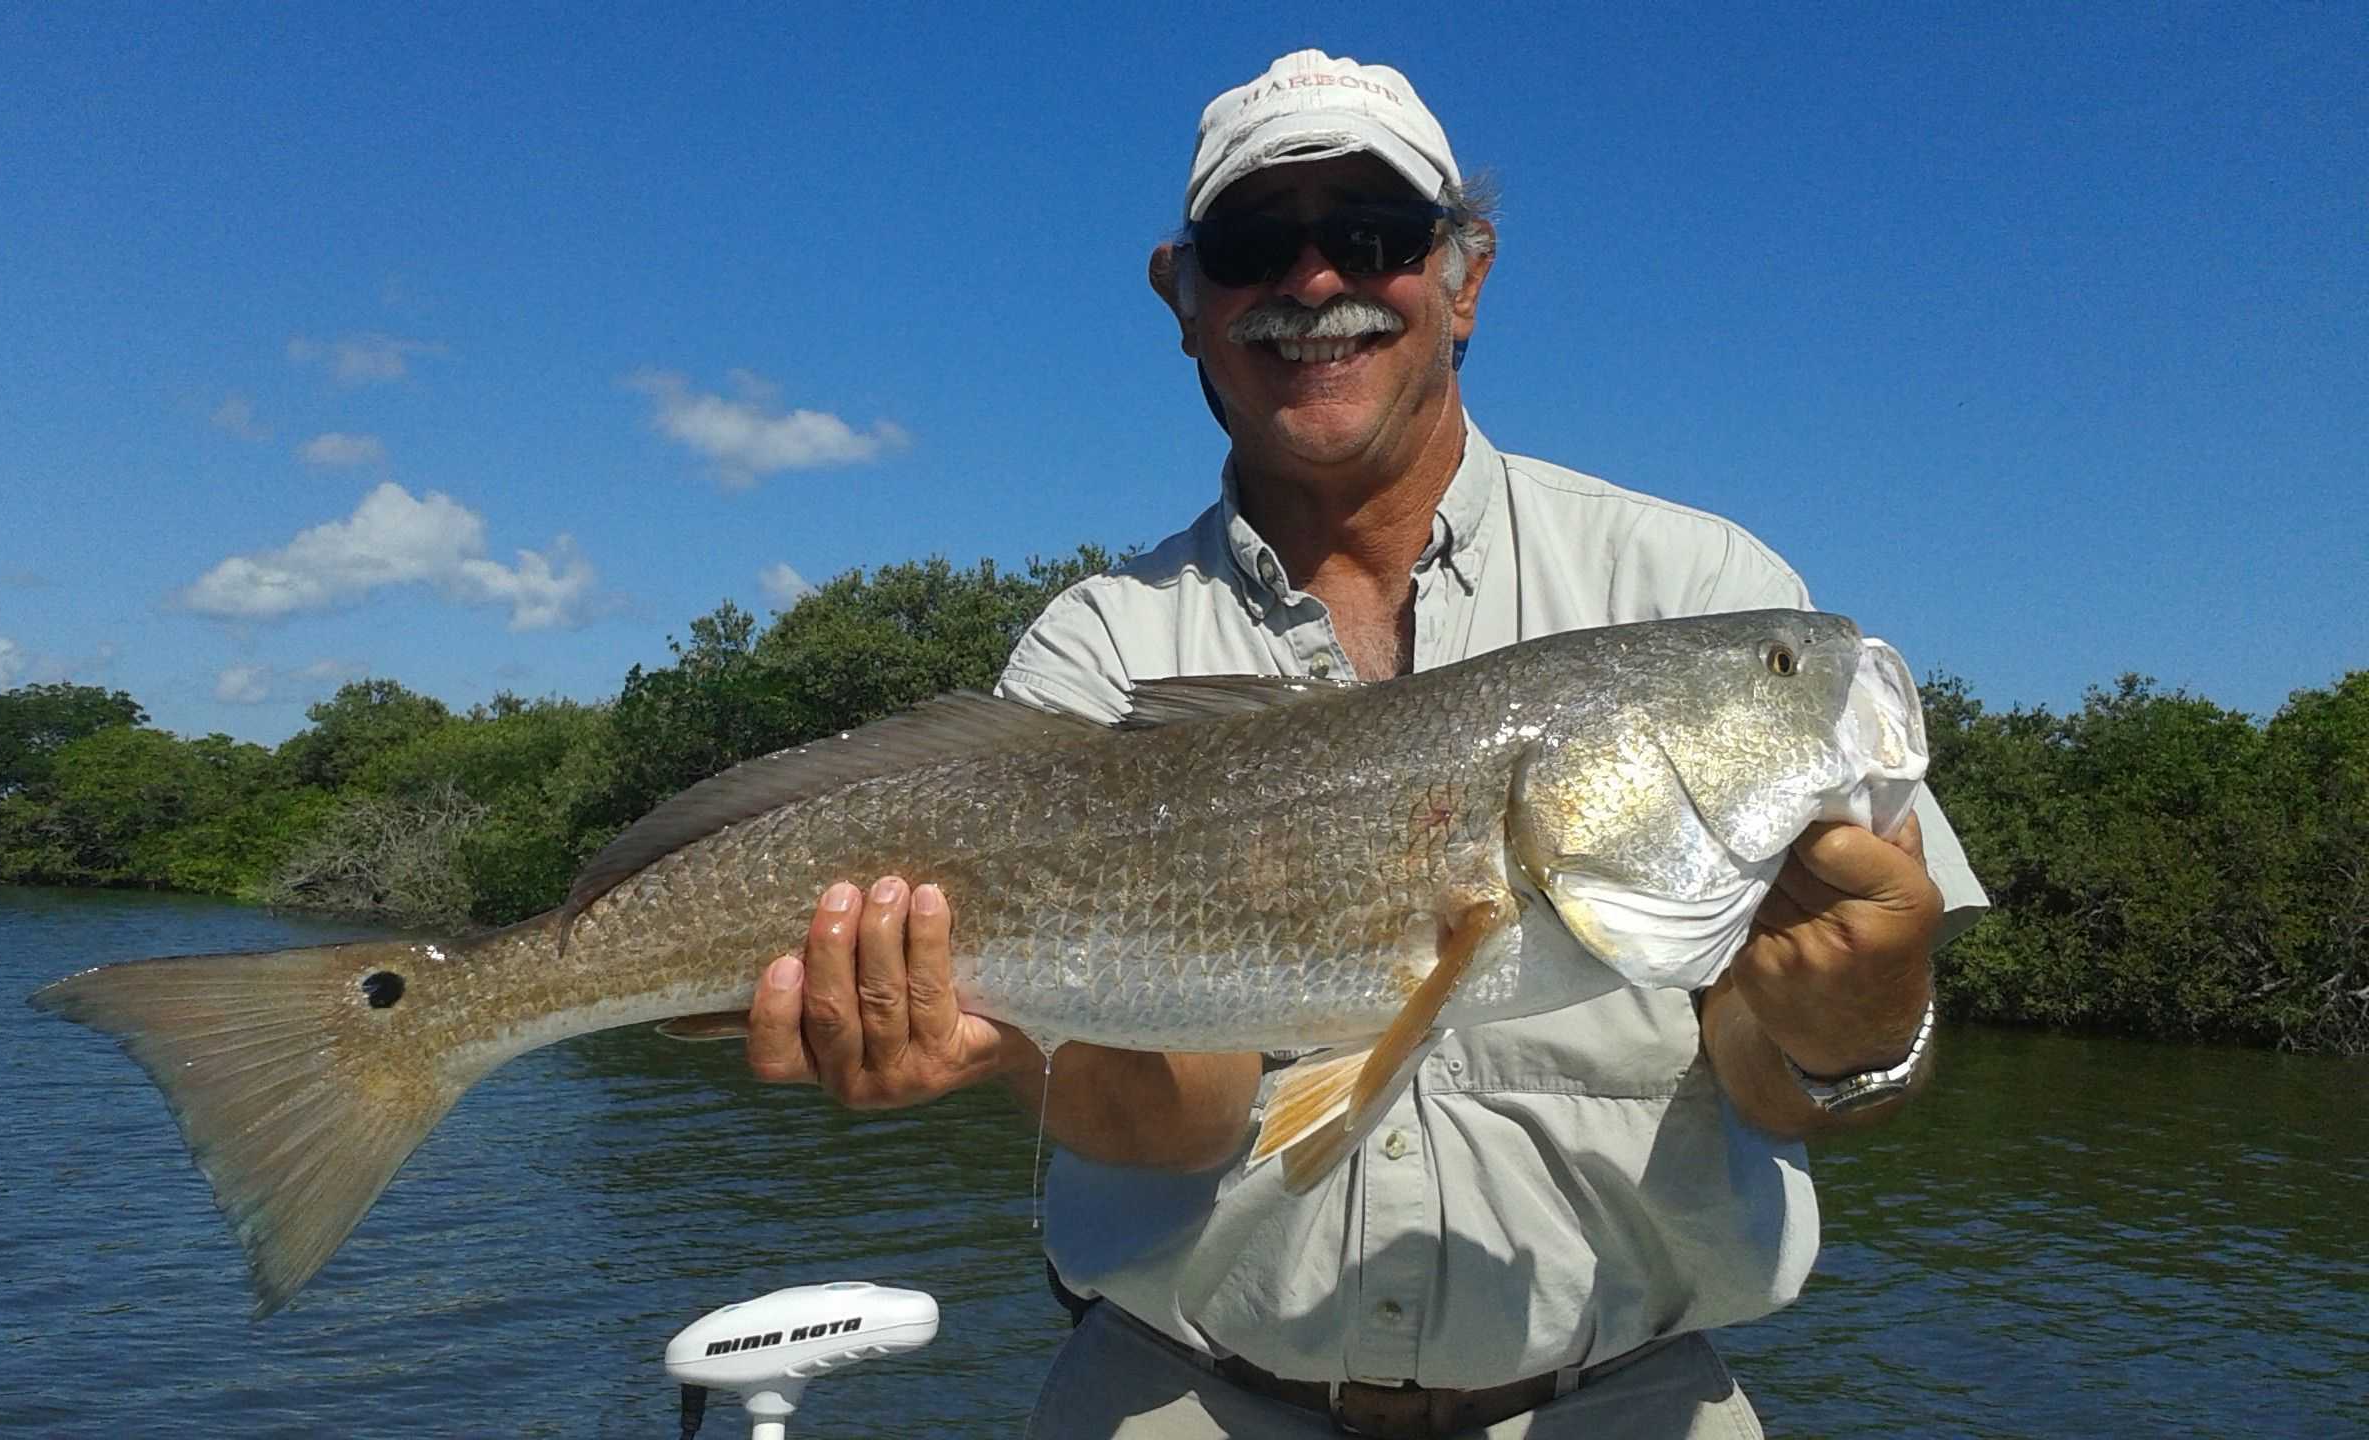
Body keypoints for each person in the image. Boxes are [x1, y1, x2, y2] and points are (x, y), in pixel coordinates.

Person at [743, 49, 1989, 1439]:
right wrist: (1002, 1039)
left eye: (1378, 238)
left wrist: (1857, 1024)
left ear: (1467, 278)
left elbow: (1783, 1086)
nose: (1316, 282)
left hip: (1624, 1402)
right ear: (1184, 297)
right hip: (1186, 1396)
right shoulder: (1096, 653)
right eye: (1256, 244)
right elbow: (1186, 1121)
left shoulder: (1700, 590)